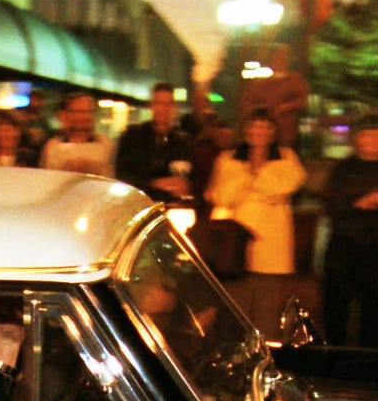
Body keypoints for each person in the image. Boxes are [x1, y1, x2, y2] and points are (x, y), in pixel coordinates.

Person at [320, 114, 378, 347]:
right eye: (369, 135)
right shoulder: (342, 170)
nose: (375, 140)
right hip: (344, 249)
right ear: (358, 138)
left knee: (374, 315)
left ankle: (369, 364)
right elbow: (330, 205)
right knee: (337, 312)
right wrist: (358, 205)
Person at [203, 108, 308, 276]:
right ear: (245, 130)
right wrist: (248, 173)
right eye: (255, 126)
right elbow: (221, 196)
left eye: (266, 127)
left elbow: (286, 187)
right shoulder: (227, 159)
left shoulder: (287, 157)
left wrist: (259, 173)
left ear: (274, 131)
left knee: (267, 289)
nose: (260, 132)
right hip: (236, 233)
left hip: (272, 234)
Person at [113, 82, 195, 205]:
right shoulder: (132, 137)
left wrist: (187, 185)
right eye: (160, 103)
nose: (164, 109)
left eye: (168, 104)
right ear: (152, 106)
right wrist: (155, 183)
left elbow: (192, 176)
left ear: (174, 108)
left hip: (174, 207)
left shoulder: (183, 142)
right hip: (140, 204)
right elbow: (123, 175)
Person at [236, 43, 308, 148]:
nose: (279, 59)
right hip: (263, 133)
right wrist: (261, 111)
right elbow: (247, 102)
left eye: (283, 56)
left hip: (286, 132)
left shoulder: (295, 81)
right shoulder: (260, 83)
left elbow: (302, 100)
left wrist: (284, 107)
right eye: (276, 56)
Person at [40, 93, 115, 176]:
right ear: (63, 115)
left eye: (89, 111)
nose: (85, 116)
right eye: (79, 112)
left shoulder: (106, 145)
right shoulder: (52, 147)